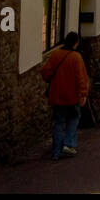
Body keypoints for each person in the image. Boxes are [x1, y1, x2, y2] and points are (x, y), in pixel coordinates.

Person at [41, 31, 88, 162]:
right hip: (72, 95)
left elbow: (45, 72)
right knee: (73, 118)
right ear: (76, 43)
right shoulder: (76, 57)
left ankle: (56, 152)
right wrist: (83, 94)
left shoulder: (55, 54)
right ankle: (68, 144)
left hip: (57, 94)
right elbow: (81, 78)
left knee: (59, 123)